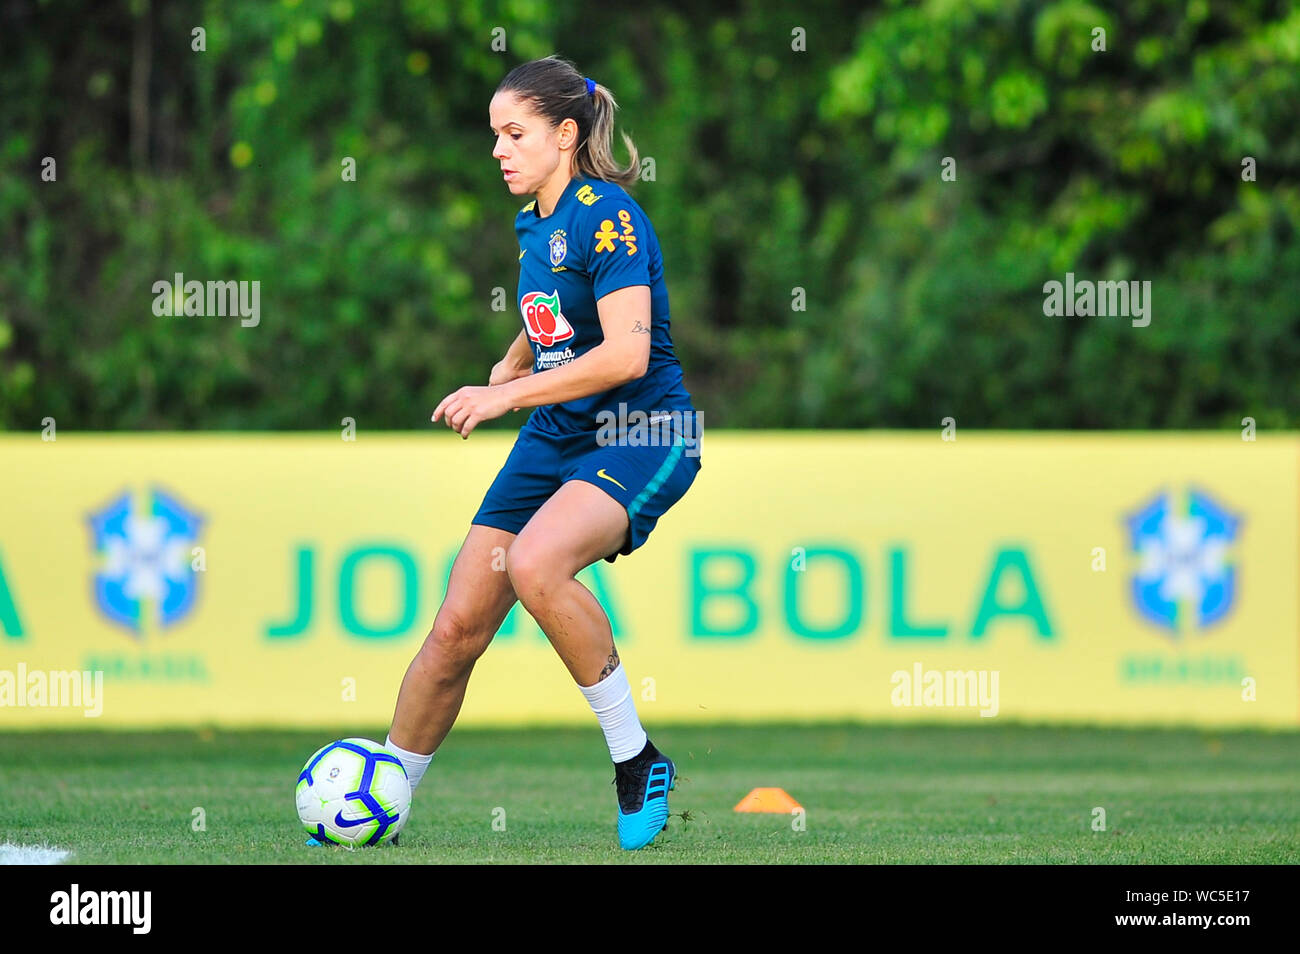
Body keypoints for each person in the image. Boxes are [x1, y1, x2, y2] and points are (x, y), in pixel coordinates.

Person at [385, 55, 700, 851]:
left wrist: (501, 397)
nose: (498, 149)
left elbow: (628, 353)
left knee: (534, 565)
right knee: (456, 625)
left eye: (514, 133)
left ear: (565, 135)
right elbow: (563, 301)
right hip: (560, 430)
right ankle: (379, 798)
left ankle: (637, 760)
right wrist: (519, 355)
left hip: (641, 431)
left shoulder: (610, 213)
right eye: (494, 135)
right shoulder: (536, 218)